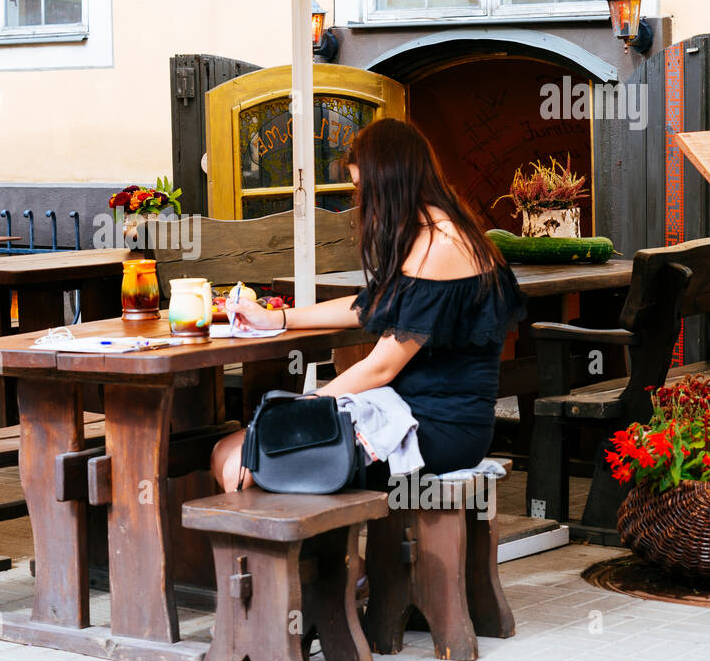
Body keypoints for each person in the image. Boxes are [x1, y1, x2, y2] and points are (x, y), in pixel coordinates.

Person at [211, 118, 528, 493]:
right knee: (225, 448)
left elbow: (380, 367)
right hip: (405, 412)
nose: (360, 202)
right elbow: (367, 304)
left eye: (363, 189)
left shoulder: (440, 247)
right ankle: (319, 550)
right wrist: (275, 317)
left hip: (435, 432)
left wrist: (300, 411)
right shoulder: (434, 234)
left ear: (389, 183)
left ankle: (322, 551)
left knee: (240, 463)